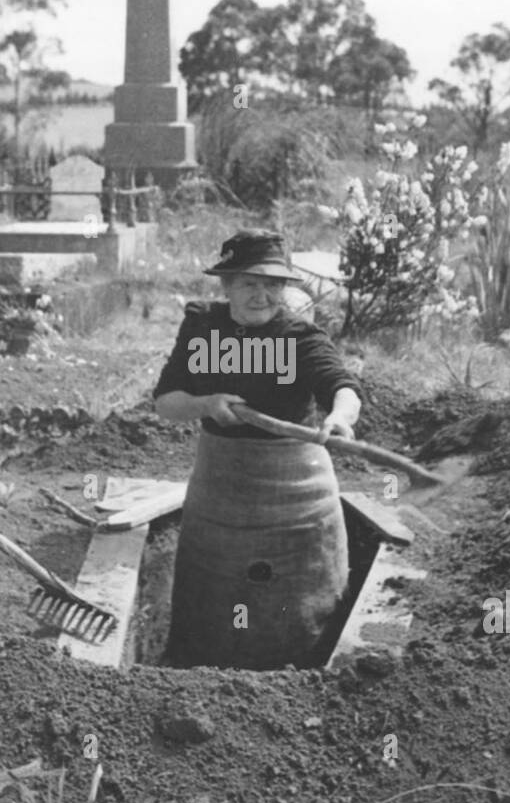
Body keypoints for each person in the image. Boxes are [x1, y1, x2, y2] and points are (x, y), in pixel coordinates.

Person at [153, 231, 363, 668]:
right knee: (213, 617)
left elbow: (342, 387)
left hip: (297, 500)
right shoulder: (202, 329)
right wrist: (206, 404)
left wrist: (341, 416)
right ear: (226, 285)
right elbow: (166, 402)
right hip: (219, 492)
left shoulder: (299, 338)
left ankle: (295, 681)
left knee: (293, 618)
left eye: (273, 284)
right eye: (249, 283)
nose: (262, 294)